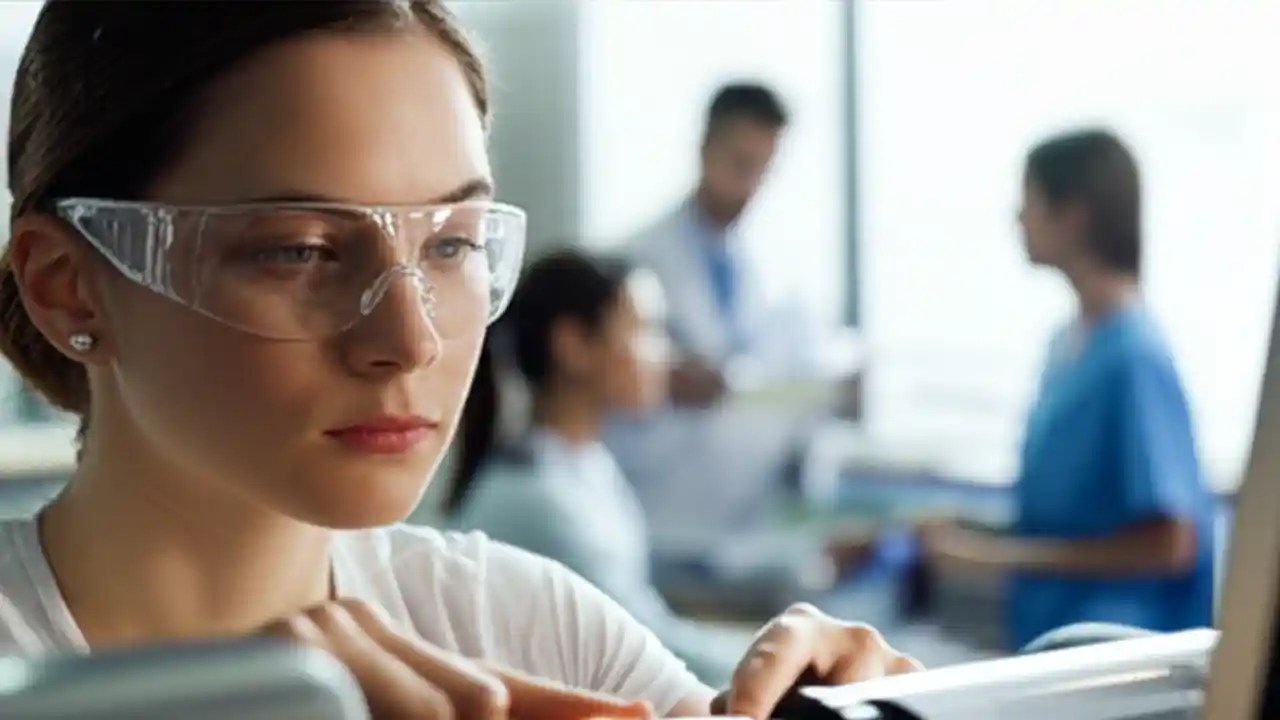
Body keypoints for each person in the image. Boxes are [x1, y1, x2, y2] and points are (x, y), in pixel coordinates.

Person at [0, 2, 918, 719]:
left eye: (452, 243)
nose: (412, 338)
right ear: (69, 287)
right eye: (302, 250)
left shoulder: (531, 629)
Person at [920, 129, 1215, 650]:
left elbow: (1171, 543)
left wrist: (997, 559)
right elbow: (1066, 516)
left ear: (1074, 214)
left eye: (1029, 201)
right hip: (1051, 641)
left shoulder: (1134, 357)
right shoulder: (1068, 345)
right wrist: (974, 535)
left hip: (1118, 656)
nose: (1018, 219)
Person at [447, 249, 749, 686]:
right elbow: (646, 647)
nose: (664, 354)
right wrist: (789, 667)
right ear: (573, 346)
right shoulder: (537, 499)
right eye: (646, 331)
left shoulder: (586, 464)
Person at [631, 83, 787, 406]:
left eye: (763, 170)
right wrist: (668, 371)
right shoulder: (640, 259)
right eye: (741, 165)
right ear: (705, 148)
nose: (750, 187)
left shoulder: (760, 269)